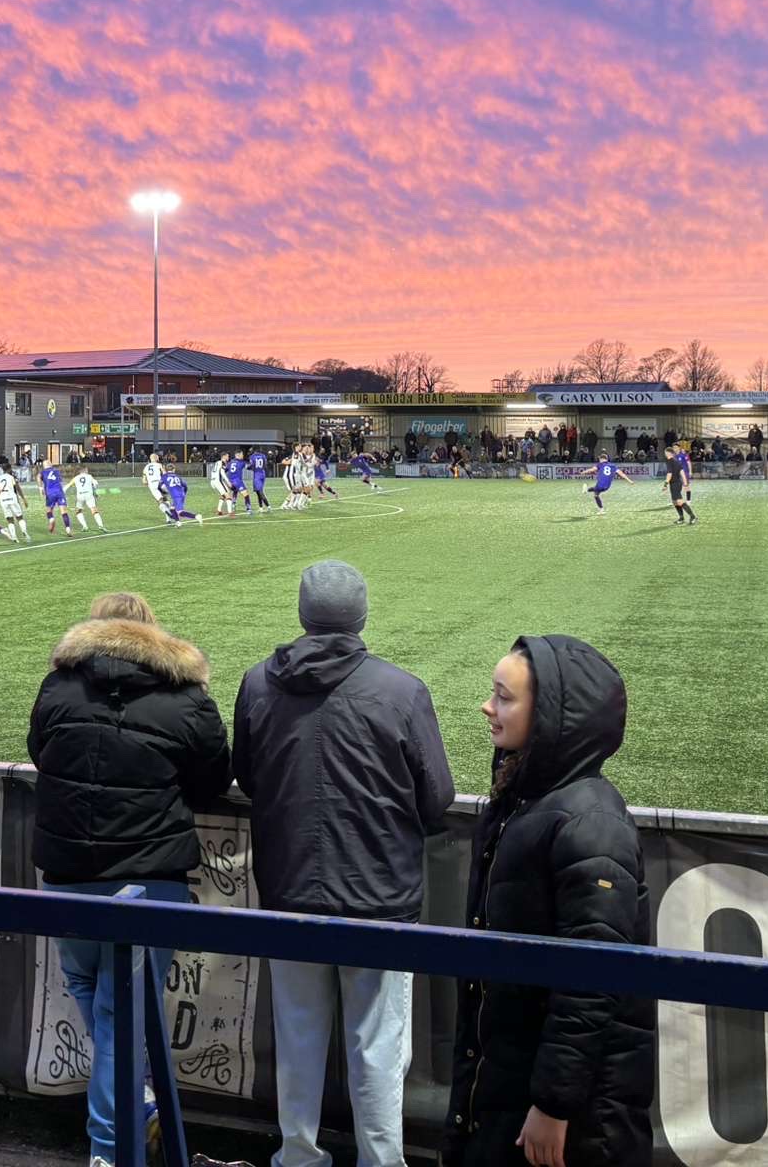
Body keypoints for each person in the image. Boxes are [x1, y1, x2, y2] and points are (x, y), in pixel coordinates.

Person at [232, 562, 455, 1167]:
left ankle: (298, 1156)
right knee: (378, 1047)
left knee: (299, 1036)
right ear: (362, 617)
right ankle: (377, 1161)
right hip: (379, 896)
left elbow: (247, 776)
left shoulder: (258, 684)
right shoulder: (401, 690)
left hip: (290, 889)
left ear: (303, 615)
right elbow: (437, 797)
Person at [30, 592, 232, 1167]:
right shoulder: (186, 697)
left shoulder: (58, 687)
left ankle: (133, 1111)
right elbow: (213, 780)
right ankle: (110, 1145)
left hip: (67, 872)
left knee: (96, 995)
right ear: (151, 635)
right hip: (149, 878)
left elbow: (41, 753)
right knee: (118, 1015)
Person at [444, 638, 654, 1166]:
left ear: (550, 716)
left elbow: (592, 977)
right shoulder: (524, 799)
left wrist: (553, 1104)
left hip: (574, 1118)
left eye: (503, 697)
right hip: (514, 1085)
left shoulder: (591, 824)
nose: (487, 707)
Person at [664, 444, 696, 526]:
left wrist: (665, 484)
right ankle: (681, 518)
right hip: (677, 483)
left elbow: (669, 474)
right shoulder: (676, 461)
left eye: (665, 453)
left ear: (668, 453)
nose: (665, 454)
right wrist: (685, 482)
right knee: (675, 502)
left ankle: (693, 516)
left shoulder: (670, 461)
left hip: (675, 483)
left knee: (679, 501)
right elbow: (682, 472)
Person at [69, 467, 109, 533]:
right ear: (84, 471)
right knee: (94, 510)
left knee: (78, 511)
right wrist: (95, 492)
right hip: (89, 495)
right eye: (87, 470)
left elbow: (68, 485)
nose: (87, 471)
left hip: (80, 496)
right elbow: (96, 483)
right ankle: (101, 526)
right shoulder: (89, 476)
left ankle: (85, 526)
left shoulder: (76, 478)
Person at [39, 459, 73, 534]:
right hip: (59, 492)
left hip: (50, 493)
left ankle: (51, 519)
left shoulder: (43, 472)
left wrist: (40, 488)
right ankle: (68, 529)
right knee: (63, 511)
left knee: (49, 510)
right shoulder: (57, 471)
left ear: (44, 466)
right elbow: (60, 481)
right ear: (50, 464)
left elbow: (38, 476)